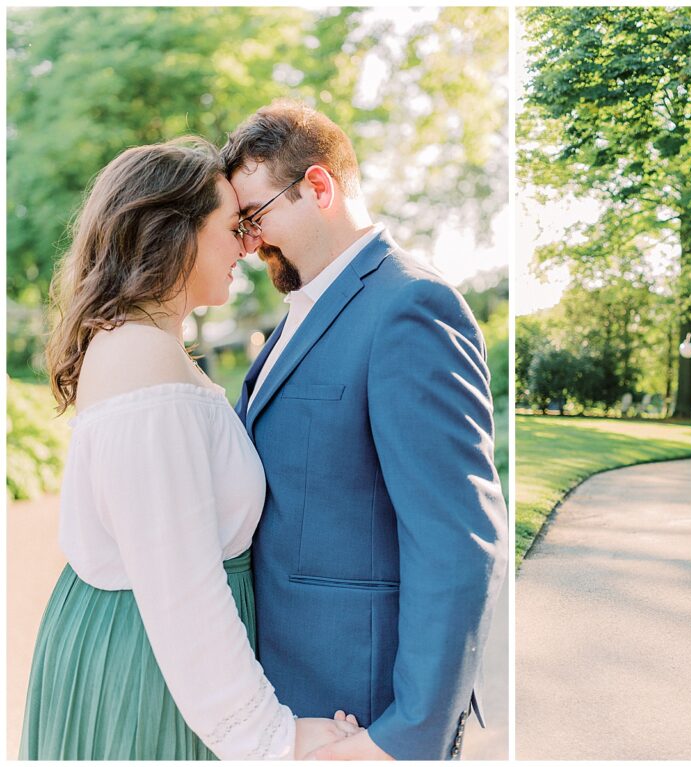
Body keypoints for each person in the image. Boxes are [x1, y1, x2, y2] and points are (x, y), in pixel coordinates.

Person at [21, 139, 360, 759]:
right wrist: (273, 739)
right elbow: (181, 587)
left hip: (148, 653)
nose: (248, 244)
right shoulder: (146, 365)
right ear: (174, 234)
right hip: (152, 669)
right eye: (232, 226)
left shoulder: (147, 348)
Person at [221, 101, 508, 760]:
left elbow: (457, 540)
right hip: (291, 701)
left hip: (362, 713)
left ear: (318, 187)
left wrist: (403, 737)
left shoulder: (409, 307)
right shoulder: (299, 313)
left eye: (255, 217)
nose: (249, 241)